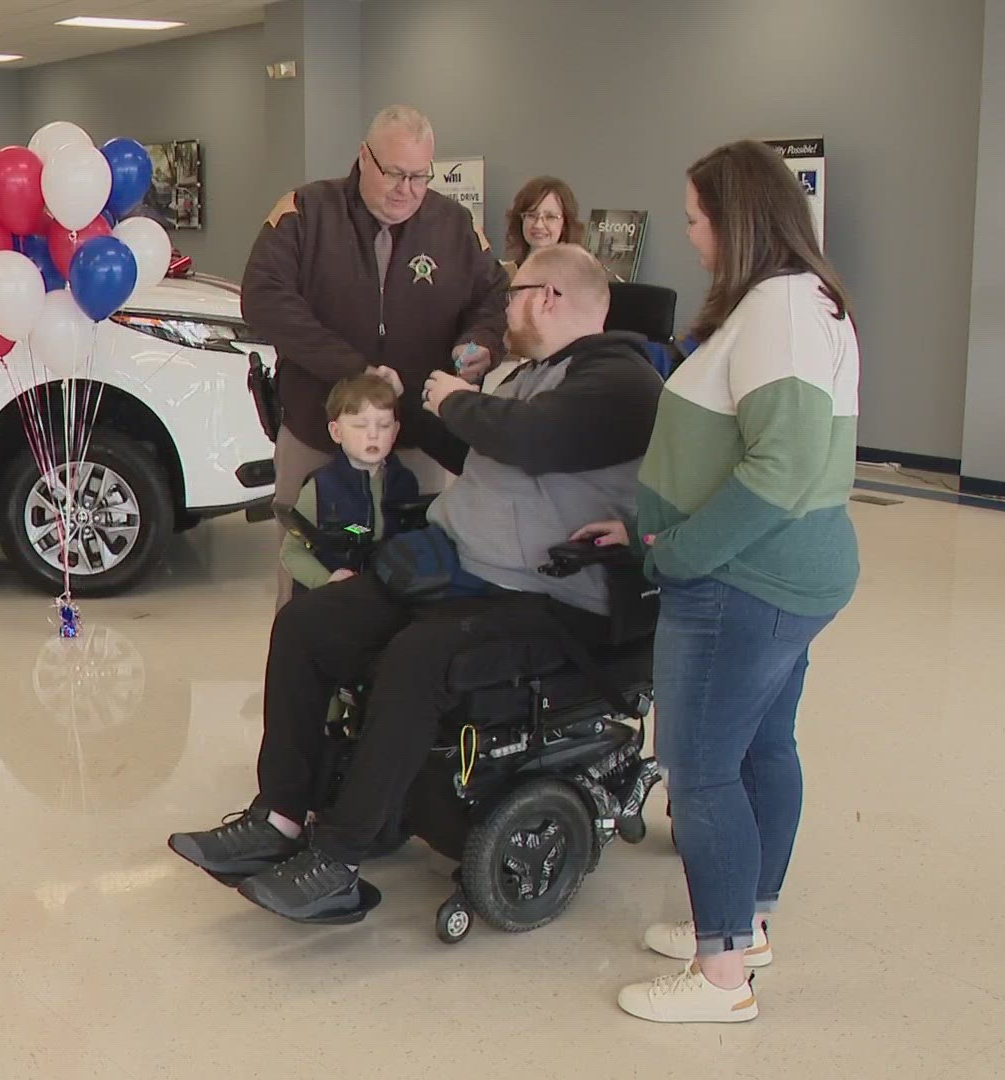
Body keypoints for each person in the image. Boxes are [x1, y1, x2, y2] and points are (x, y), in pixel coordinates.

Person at [170, 245, 662, 923]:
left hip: (548, 598)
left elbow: (533, 440)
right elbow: (483, 451)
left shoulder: (620, 379)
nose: (505, 311)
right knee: (309, 623)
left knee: (418, 657)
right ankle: (281, 814)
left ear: (548, 296)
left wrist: (459, 400)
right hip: (467, 568)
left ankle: (340, 857)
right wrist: (422, 411)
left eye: (514, 293)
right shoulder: (531, 375)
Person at [573, 140, 861, 1024]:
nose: (691, 234)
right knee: (764, 748)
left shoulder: (776, 308)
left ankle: (721, 976)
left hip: (745, 582)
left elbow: (781, 467)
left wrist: (681, 550)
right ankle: (745, 924)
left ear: (736, 221)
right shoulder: (799, 300)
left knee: (700, 770)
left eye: (696, 218)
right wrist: (650, 522)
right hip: (789, 575)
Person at [242, 104, 509, 608]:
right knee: (310, 579)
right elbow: (263, 297)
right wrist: (353, 370)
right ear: (364, 157)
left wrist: (481, 345)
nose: (406, 189)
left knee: (417, 576)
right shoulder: (306, 211)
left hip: (418, 440)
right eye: (394, 173)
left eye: (419, 177)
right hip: (318, 432)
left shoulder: (454, 225)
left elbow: (492, 298)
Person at [279, 374, 418, 593]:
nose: (373, 435)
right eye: (360, 426)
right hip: (331, 603)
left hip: (389, 599)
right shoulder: (319, 488)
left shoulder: (405, 482)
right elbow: (292, 552)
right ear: (336, 432)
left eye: (383, 425)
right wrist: (327, 581)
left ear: (395, 432)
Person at [500, 176, 583, 275]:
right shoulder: (504, 275)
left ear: (565, 223)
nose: (538, 225)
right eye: (531, 215)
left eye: (550, 217)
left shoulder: (579, 276)